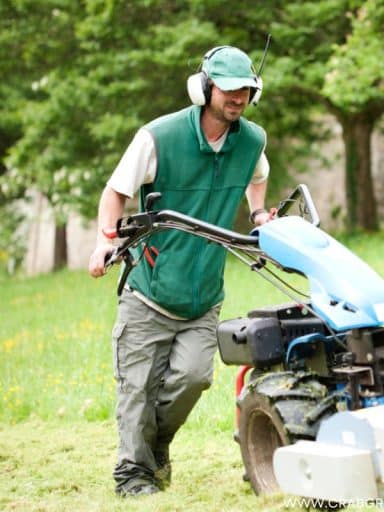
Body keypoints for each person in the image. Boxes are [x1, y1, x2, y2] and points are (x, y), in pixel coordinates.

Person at [88, 45, 273, 497]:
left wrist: (259, 212)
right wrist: (105, 241)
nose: (237, 98)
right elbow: (115, 192)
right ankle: (133, 476)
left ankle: (153, 449)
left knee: (195, 377)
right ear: (205, 88)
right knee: (137, 389)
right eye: (228, 89)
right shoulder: (159, 136)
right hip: (150, 289)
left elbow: (258, 175)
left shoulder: (252, 140)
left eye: (245, 90)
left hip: (203, 295)